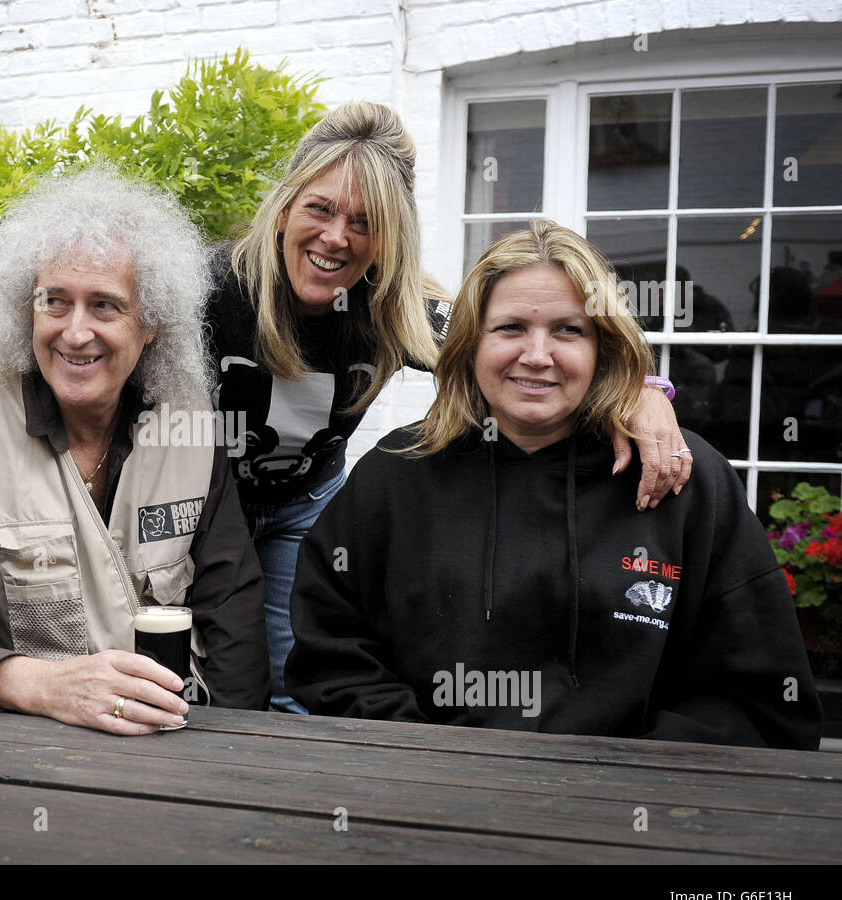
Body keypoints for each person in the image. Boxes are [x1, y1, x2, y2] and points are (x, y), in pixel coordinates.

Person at [208, 102, 690, 712]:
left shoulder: (396, 309)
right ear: (283, 210)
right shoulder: (211, 290)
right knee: (211, 672)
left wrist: (643, 391)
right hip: (207, 503)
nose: (337, 237)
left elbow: (513, 348)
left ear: (390, 239)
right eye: (320, 208)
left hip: (301, 505)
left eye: (365, 221)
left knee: (292, 681)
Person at [285, 220, 823, 749]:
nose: (537, 355)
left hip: (633, 814)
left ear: (603, 347)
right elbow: (332, 655)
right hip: (428, 799)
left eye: (568, 330)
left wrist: (621, 774)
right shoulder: (396, 472)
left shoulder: (682, 477)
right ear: (471, 344)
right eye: (510, 328)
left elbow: (763, 698)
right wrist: (432, 759)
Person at [0, 167, 270, 736]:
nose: (75, 333)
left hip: (174, 753)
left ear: (150, 323)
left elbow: (233, 622)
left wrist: (229, 759)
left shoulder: (189, 428)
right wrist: (38, 685)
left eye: (105, 306)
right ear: (28, 310)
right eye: (55, 302)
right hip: (22, 751)